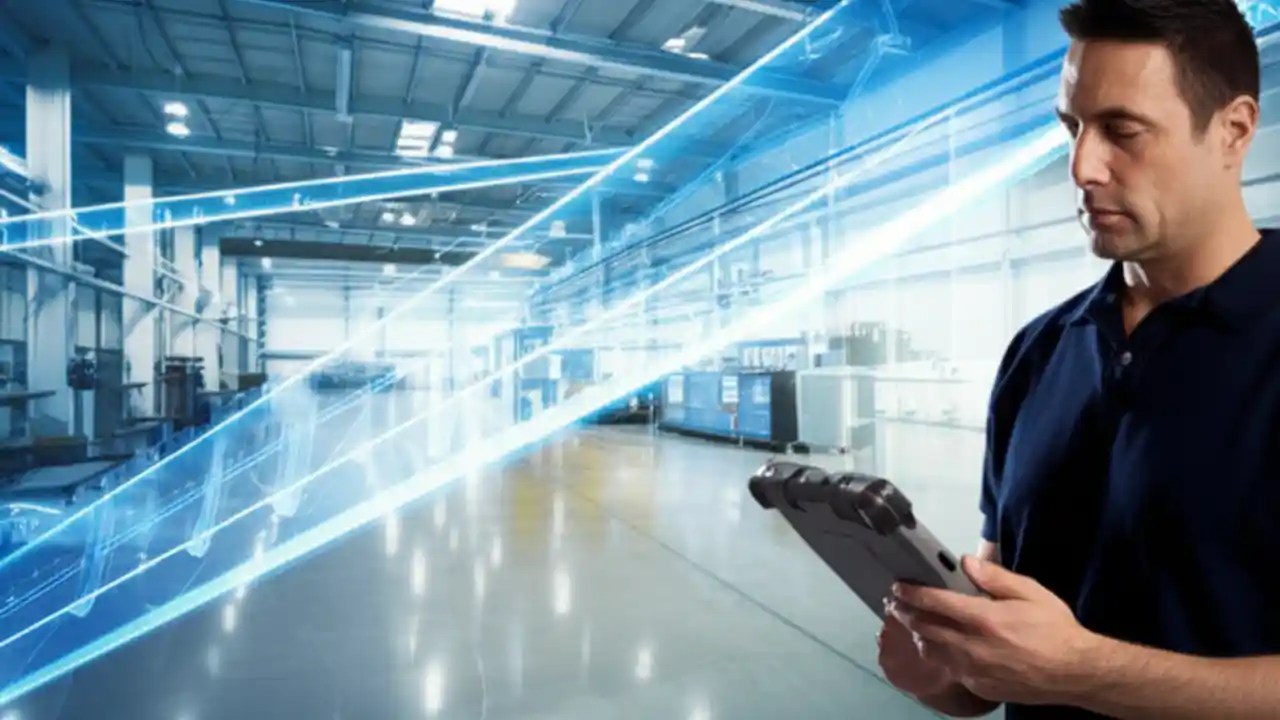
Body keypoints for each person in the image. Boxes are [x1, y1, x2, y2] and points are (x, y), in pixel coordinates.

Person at [876, 1, 1280, 718]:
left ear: (1234, 129)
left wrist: (1088, 673)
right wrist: (950, 670)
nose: (1082, 166)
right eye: (1072, 127)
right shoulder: (1038, 354)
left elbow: (1065, 668)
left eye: (1123, 131)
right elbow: (999, 656)